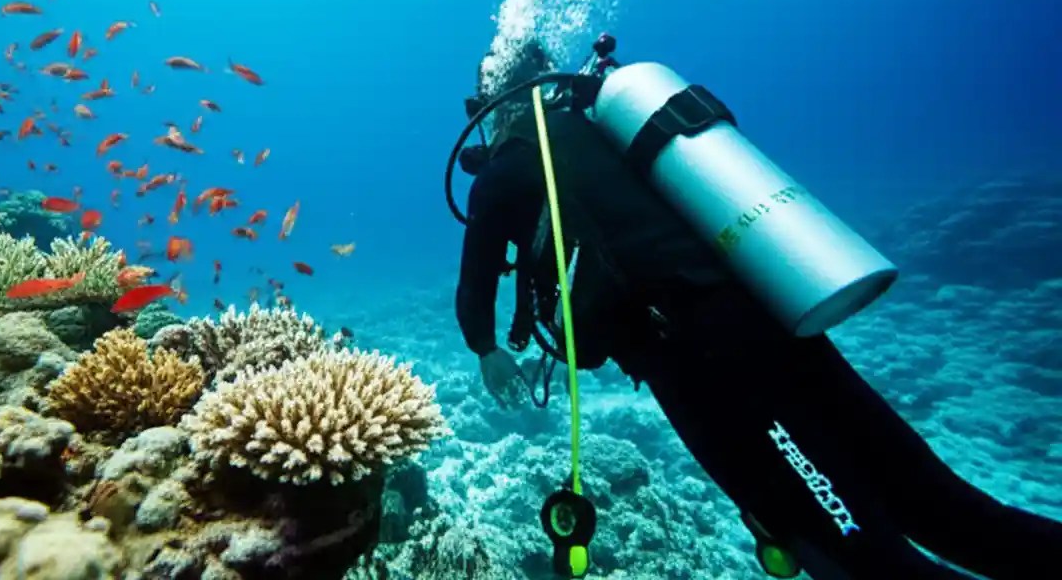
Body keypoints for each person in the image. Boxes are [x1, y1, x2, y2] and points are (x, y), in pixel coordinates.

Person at [453, 39, 1062, 579]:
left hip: (696, 358)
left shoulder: (503, 172)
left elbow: (474, 289)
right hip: (768, 307)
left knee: (852, 552)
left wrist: (485, 349)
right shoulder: (606, 130)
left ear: (492, 103)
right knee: (946, 507)